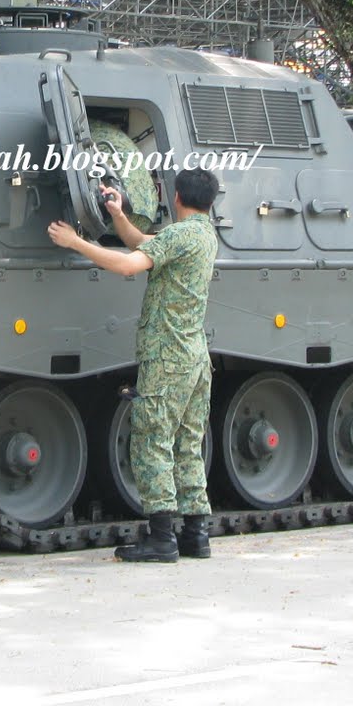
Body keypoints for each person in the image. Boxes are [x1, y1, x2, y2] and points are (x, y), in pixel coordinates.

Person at [47, 167, 219, 562]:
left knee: (152, 440)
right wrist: (118, 214)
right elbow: (142, 243)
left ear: (176, 198)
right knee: (188, 445)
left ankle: (161, 539)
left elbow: (127, 265)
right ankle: (196, 534)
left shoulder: (180, 235)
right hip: (195, 357)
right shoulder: (204, 235)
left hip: (168, 358)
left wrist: (76, 242)